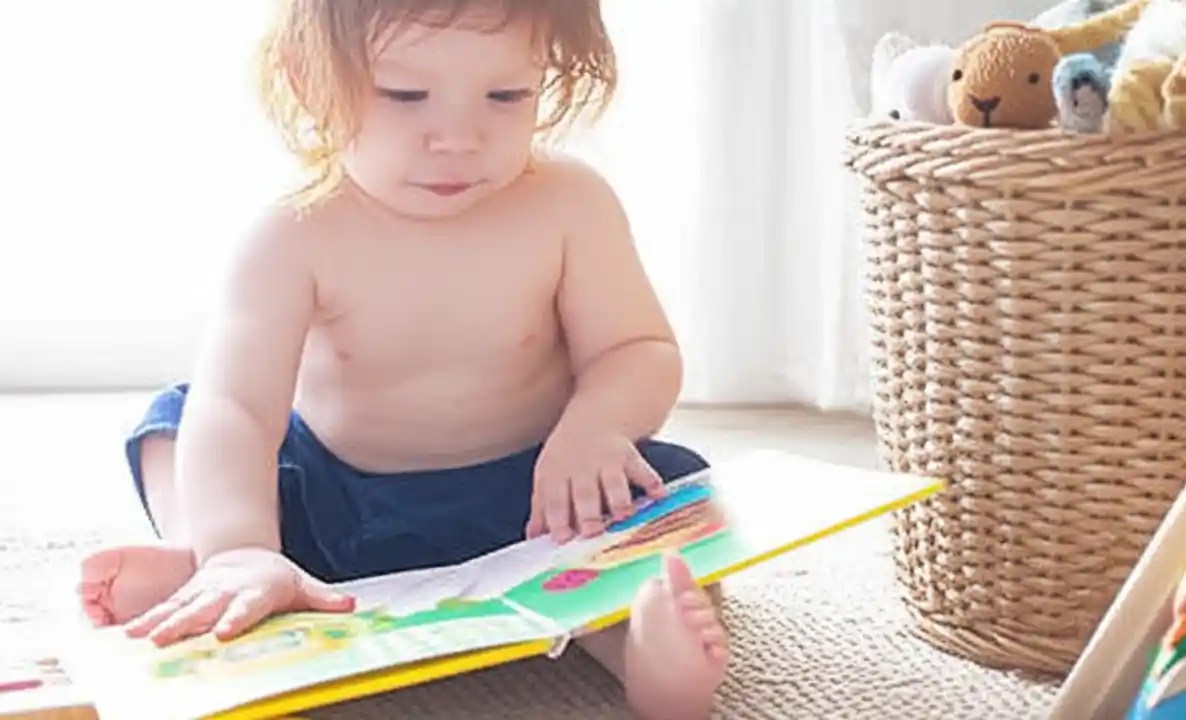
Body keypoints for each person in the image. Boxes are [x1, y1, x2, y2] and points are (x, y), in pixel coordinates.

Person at [75, 1, 728, 717]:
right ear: (307, 81)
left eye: (506, 95)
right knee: (183, 419)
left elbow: (637, 349)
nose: (456, 137)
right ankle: (219, 562)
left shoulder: (571, 205)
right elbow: (239, 406)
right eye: (404, 95)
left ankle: (637, 651)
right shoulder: (296, 232)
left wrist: (595, 429)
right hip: (333, 513)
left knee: (661, 503)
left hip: (537, 500)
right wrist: (243, 540)